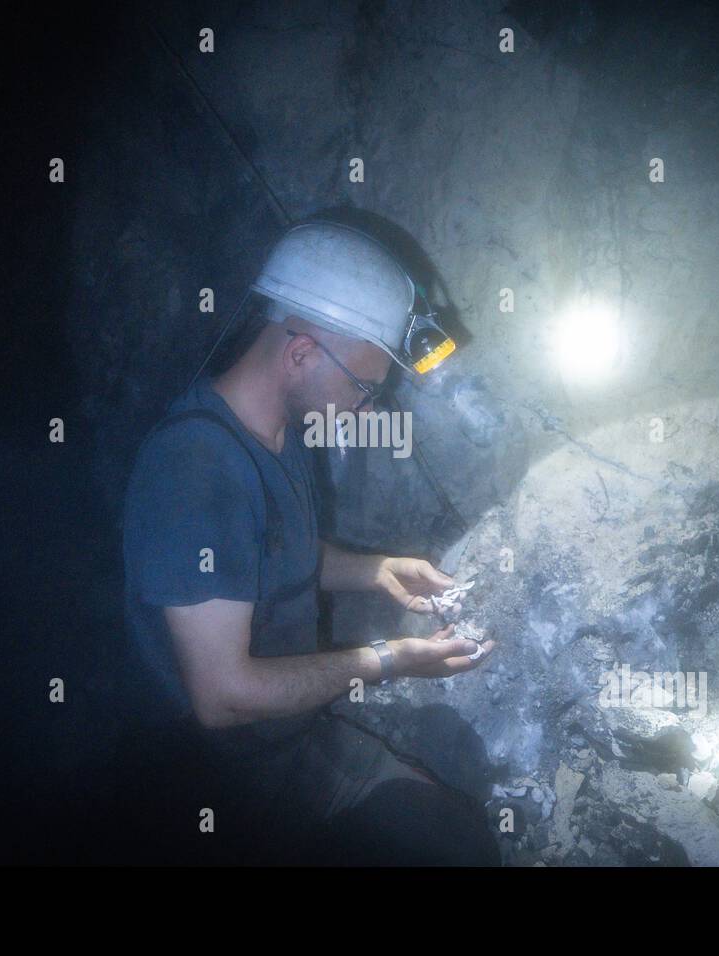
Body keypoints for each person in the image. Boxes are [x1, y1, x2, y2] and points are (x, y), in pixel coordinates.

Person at [123, 220, 498, 864]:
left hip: (295, 738)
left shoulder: (280, 430)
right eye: (363, 387)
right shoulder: (194, 472)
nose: (366, 408)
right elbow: (222, 697)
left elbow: (275, 555)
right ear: (299, 355)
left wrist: (376, 570)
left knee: (454, 836)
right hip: (229, 781)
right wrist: (391, 658)